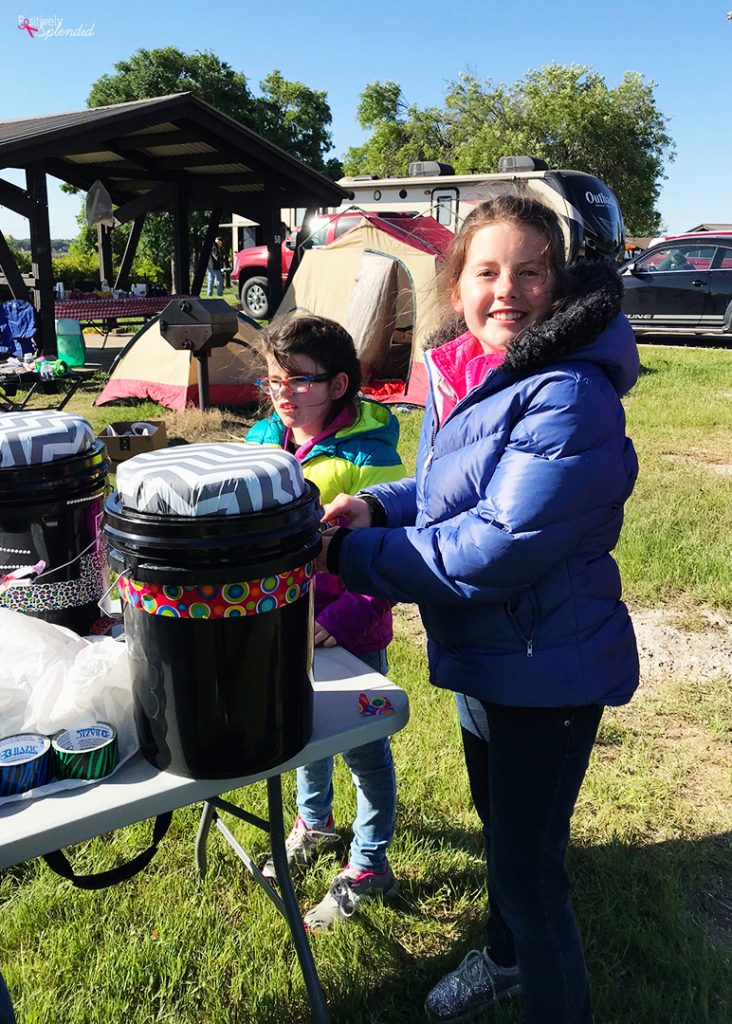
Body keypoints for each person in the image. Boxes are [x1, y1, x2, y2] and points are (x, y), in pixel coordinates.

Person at [319, 195, 639, 1023]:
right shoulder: (471, 371)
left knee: (532, 876)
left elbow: (496, 544)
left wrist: (345, 557)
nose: (508, 290)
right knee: (503, 834)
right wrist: (377, 510)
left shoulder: (569, 391)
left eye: (530, 271)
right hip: (493, 659)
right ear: (456, 285)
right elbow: (444, 487)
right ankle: (502, 960)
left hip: (546, 668)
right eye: (487, 272)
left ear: (559, 285)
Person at [246, 314, 406, 933]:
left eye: (299, 382)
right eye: (272, 381)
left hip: (353, 634)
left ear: (340, 385)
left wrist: (344, 616)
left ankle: (370, 864)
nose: (283, 394)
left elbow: (391, 557)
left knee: (366, 751)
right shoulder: (265, 437)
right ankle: (314, 822)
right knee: (304, 735)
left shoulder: (372, 455)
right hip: (284, 626)